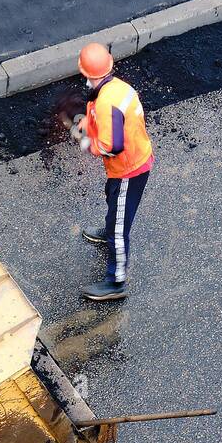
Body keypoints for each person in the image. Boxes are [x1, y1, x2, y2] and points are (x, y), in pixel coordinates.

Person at [73, 42, 154, 301]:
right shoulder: (117, 88)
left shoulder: (106, 100)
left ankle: (116, 282)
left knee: (120, 227)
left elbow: (112, 146)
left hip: (128, 170)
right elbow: (112, 120)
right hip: (133, 162)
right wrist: (89, 123)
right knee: (113, 203)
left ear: (86, 74)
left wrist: (87, 142)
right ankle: (109, 232)